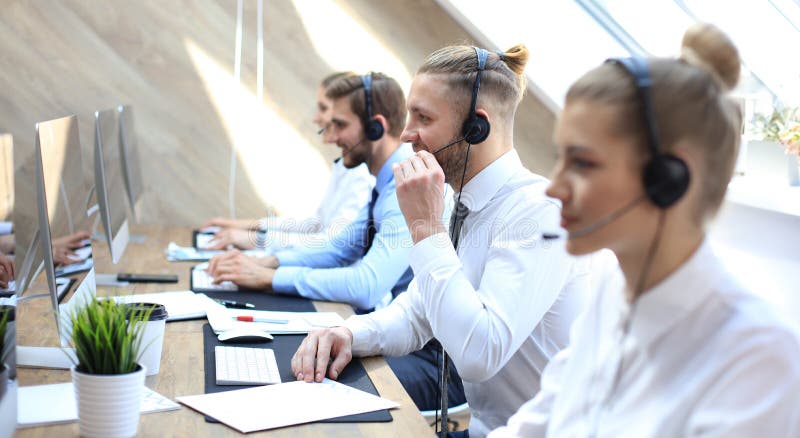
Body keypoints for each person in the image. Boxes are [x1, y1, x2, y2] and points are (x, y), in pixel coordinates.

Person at [489, 23, 800, 437]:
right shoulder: (612, 292)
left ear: (669, 178)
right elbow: (536, 424)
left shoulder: (756, 358)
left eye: (582, 163)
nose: (554, 186)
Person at [290, 44, 591, 437]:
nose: (406, 134)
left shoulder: (538, 212)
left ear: (475, 128)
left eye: (423, 117)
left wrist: (426, 230)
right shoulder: (454, 201)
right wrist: (349, 333)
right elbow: (417, 313)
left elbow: (480, 354)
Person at [202, 72, 374, 252]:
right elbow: (316, 224)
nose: (317, 118)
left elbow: (331, 244)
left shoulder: (362, 175)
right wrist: (250, 226)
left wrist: (258, 240)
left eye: (323, 108)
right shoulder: (346, 165)